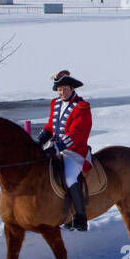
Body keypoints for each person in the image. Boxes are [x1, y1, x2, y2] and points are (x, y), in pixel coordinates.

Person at [35, 70, 93, 232]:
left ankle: (80, 216)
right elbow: (50, 127)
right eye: (59, 90)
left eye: (65, 89)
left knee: (69, 178)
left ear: (72, 89)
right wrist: (39, 141)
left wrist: (56, 148)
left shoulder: (82, 107)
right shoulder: (55, 103)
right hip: (55, 149)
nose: (62, 92)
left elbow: (75, 134)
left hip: (74, 151)